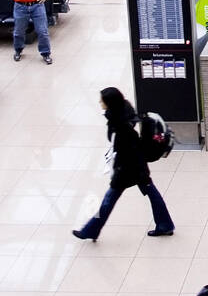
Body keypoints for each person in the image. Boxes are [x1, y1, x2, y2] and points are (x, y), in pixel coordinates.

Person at [73, 87, 175, 242]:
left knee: (108, 201)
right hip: (135, 166)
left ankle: (91, 230)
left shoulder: (119, 123)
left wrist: (119, 169)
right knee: (151, 194)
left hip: (128, 169)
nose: (100, 102)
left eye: (102, 100)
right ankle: (165, 225)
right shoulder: (122, 112)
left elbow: (127, 149)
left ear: (110, 102)